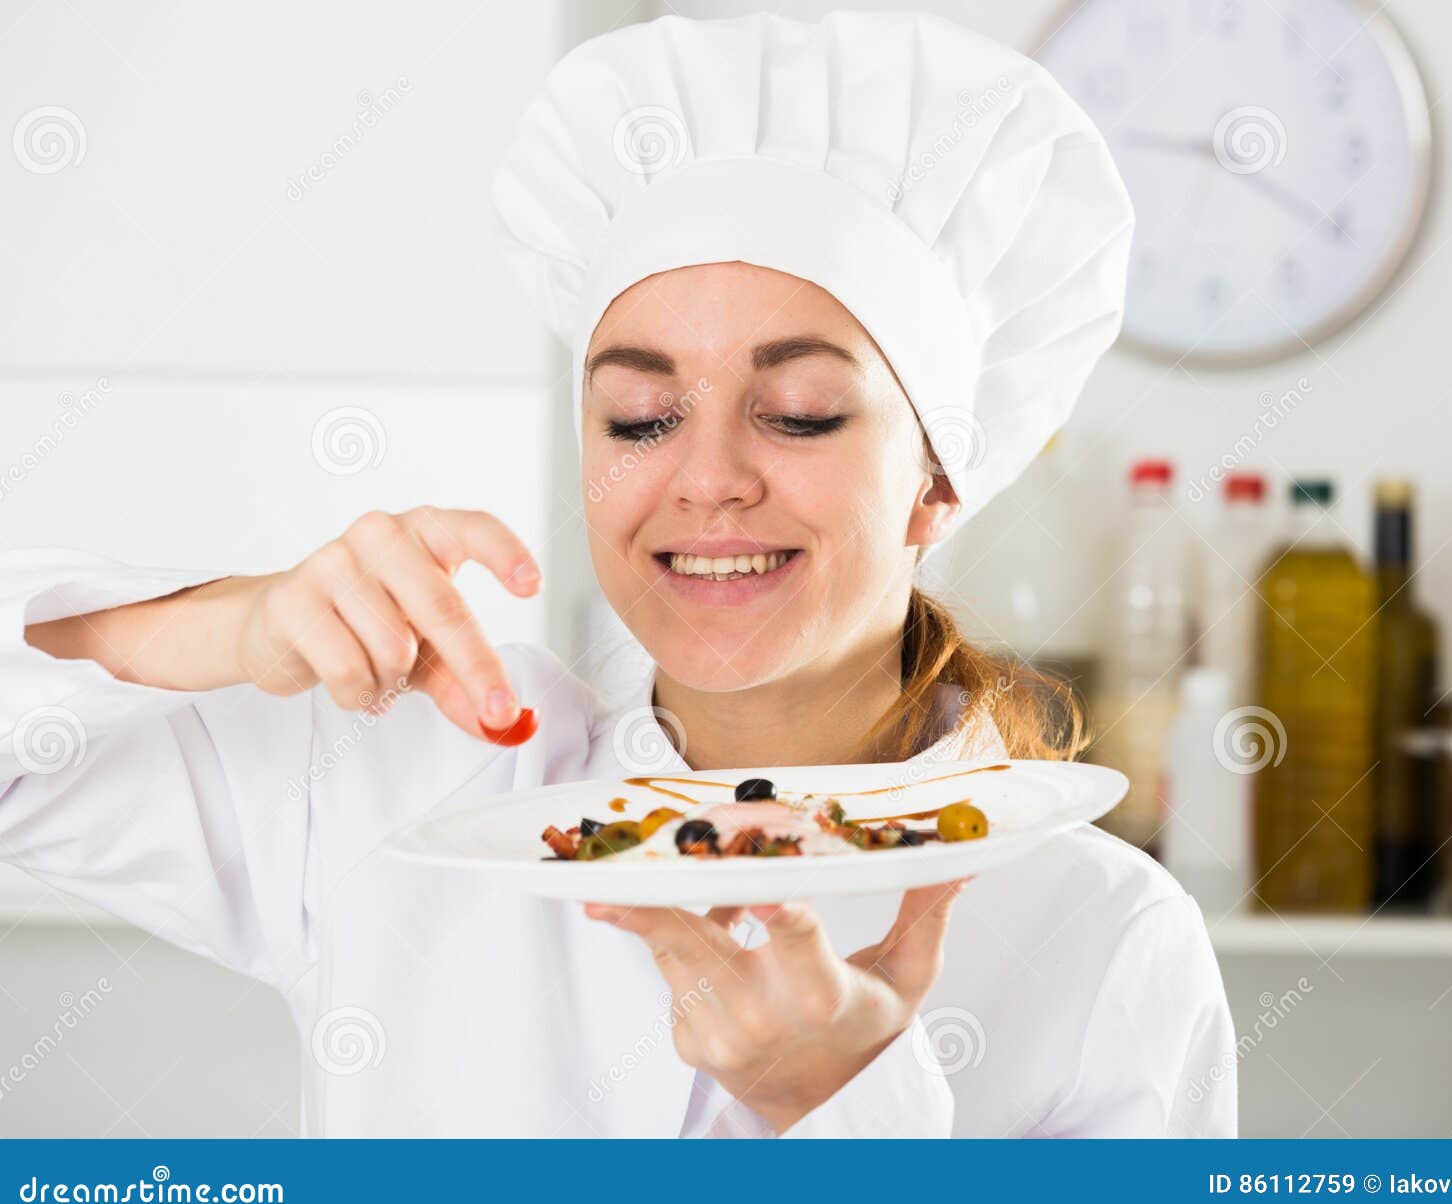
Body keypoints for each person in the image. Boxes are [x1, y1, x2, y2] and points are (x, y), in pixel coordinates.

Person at [0, 10, 1235, 1137]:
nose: (705, 478)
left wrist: (849, 1116)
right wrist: (231, 624)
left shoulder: (1104, 936)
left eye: (798, 413)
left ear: (937, 477)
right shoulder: (402, 784)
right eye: (640, 416)